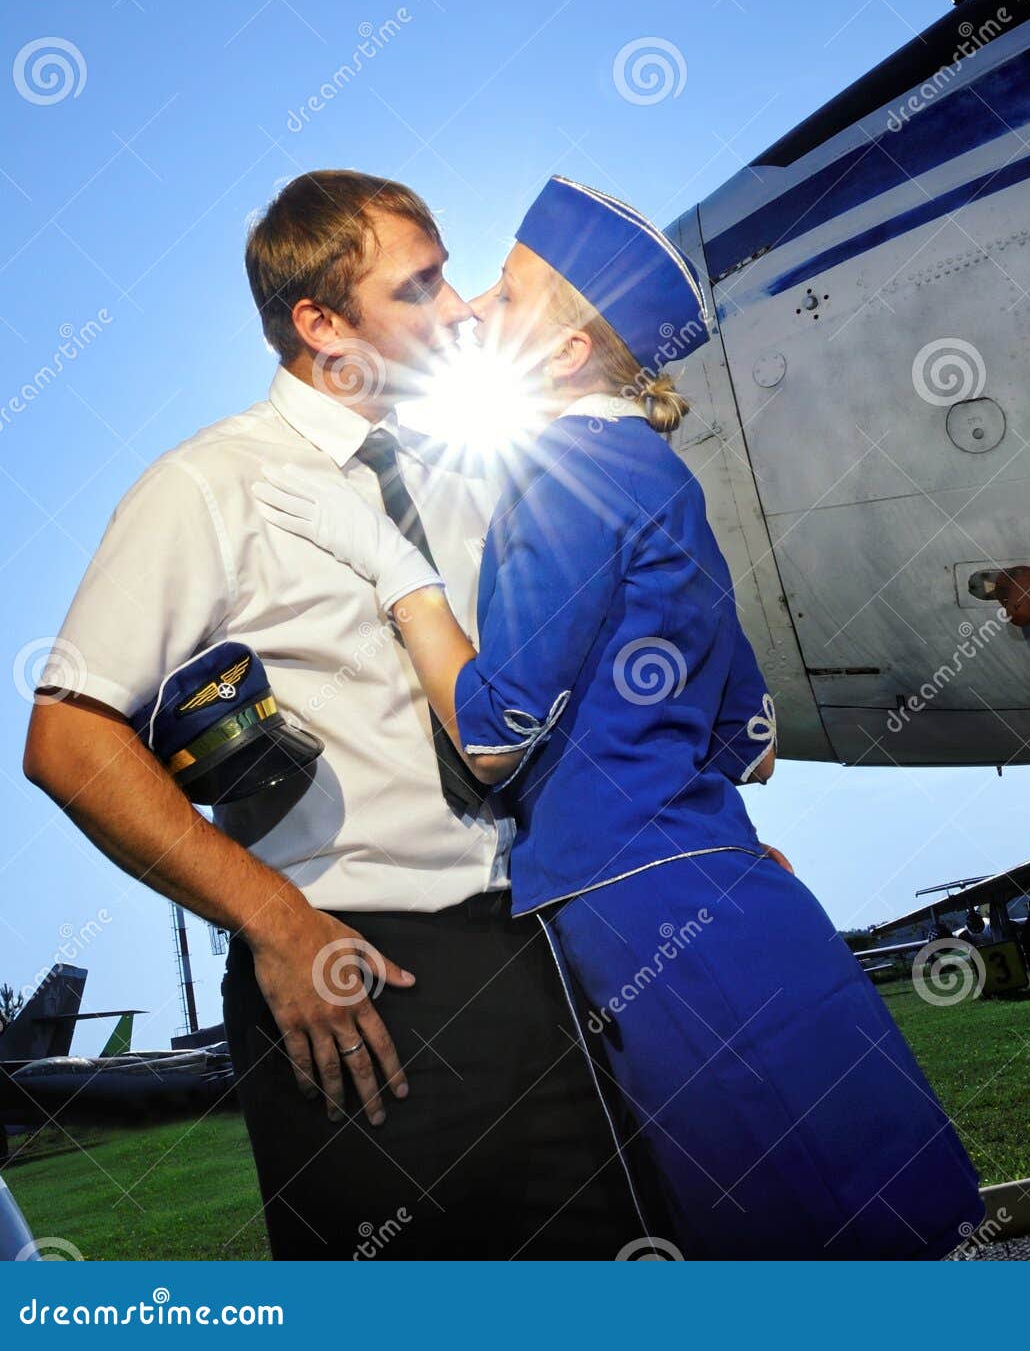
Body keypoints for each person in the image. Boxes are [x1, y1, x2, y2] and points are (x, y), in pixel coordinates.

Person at [255, 176, 985, 1259]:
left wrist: (402, 581)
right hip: (726, 881)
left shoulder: (561, 476)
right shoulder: (651, 469)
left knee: (781, 1227)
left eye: (506, 294)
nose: (474, 309)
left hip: (632, 900)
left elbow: (494, 732)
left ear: (563, 353)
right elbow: (749, 736)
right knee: (871, 1205)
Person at [22, 171, 645, 1259]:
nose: (457, 309)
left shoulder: (466, 477)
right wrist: (276, 921)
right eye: (420, 286)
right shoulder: (208, 484)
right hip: (351, 980)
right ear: (320, 324)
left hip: (538, 958)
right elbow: (67, 741)